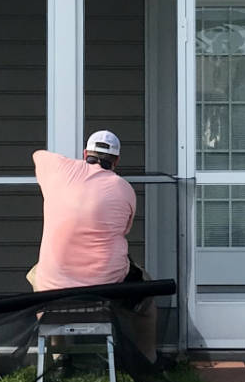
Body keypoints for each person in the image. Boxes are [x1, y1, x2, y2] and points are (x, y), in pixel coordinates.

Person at [30, 130, 158, 363]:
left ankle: (60, 358)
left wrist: (76, 167)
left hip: (53, 295)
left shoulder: (59, 171)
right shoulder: (124, 189)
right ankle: (148, 361)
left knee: (39, 273)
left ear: (85, 153)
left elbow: (38, 155)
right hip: (105, 294)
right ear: (116, 161)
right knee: (147, 296)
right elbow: (123, 230)